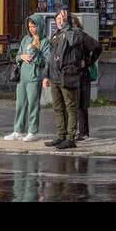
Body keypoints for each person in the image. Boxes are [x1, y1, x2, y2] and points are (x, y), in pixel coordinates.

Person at [43, 8, 90, 149]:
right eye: (57, 20)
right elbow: (50, 58)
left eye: (61, 19)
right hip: (54, 76)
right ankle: (60, 135)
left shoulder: (74, 33)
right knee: (57, 108)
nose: (59, 22)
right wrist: (46, 75)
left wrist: (66, 25)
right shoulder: (55, 35)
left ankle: (70, 138)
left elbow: (75, 40)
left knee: (71, 107)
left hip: (67, 76)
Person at [5, 15, 47, 142]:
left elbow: (46, 60)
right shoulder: (25, 39)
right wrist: (22, 57)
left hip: (35, 77)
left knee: (33, 105)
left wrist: (35, 56)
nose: (32, 29)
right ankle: (18, 130)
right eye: (30, 26)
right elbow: (17, 56)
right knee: (20, 104)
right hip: (22, 76)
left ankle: (33, 131)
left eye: (34, 26)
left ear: (39, 26)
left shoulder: (44, 41)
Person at [72, 14, 103, 142]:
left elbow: (97, 47)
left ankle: (84, 132)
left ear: (77, 25)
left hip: (82, 74)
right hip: (70, 74)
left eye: (73, 24)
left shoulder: (81, 36)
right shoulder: (63, 36)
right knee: (72, 104)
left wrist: (88, 61)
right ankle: (73, 131)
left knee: (81, 104)